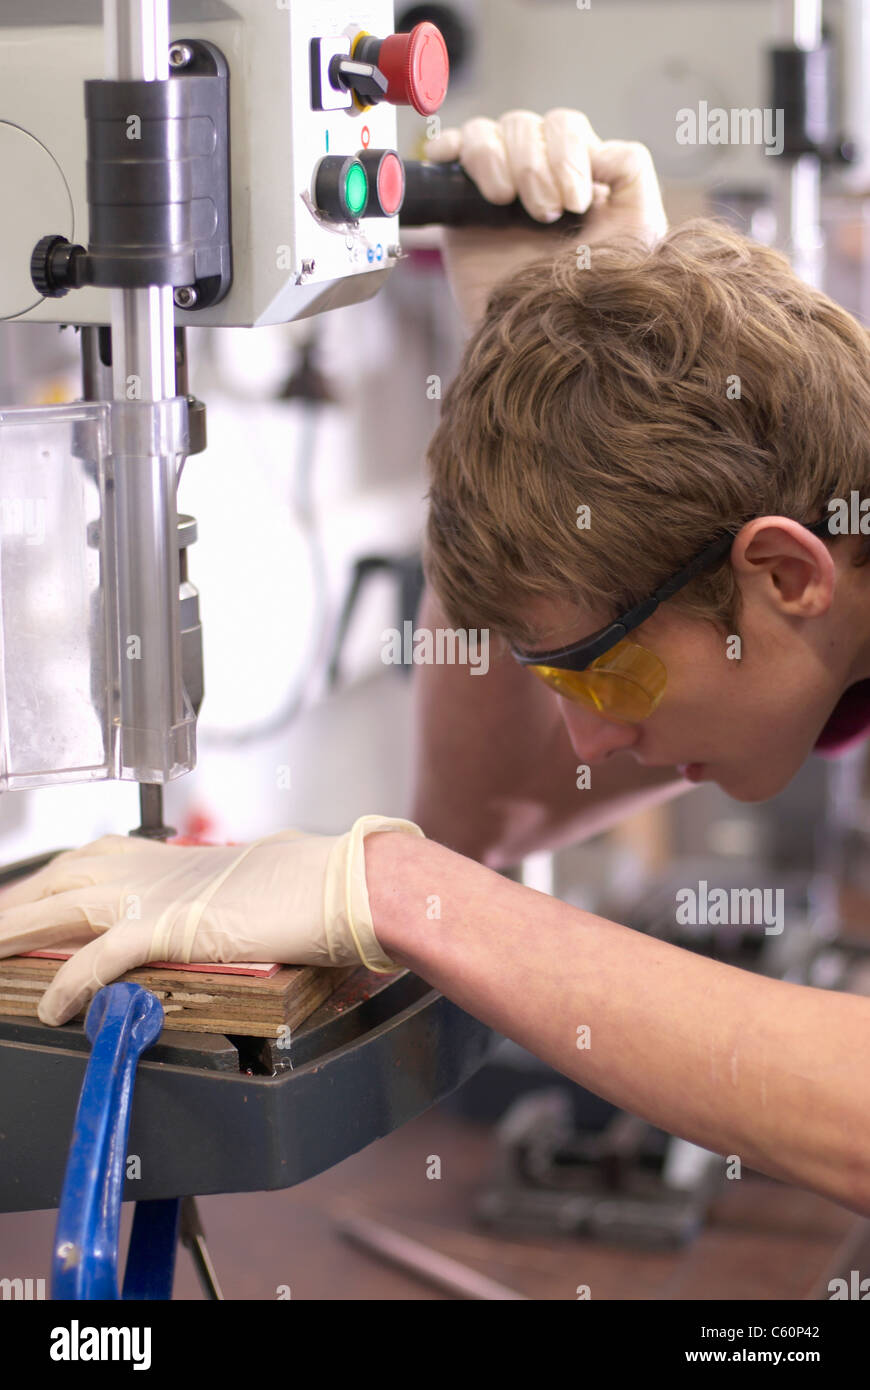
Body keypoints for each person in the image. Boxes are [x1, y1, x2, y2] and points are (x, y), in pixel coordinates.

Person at [2, 111, 870, 1217]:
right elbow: (487, 812)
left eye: (605, 679)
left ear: (789, 577)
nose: (590, 742)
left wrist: (392, 886)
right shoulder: (820, 617)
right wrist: (524, 368)